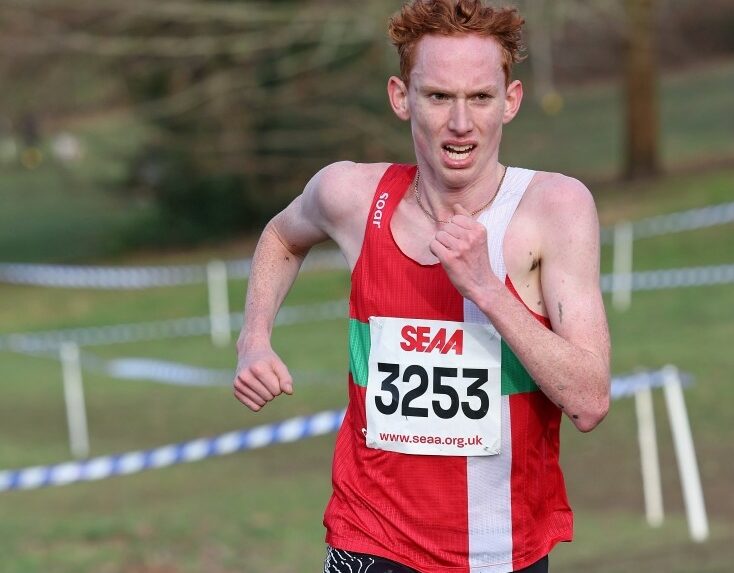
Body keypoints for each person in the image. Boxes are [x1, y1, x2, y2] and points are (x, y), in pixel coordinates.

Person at [233, 1, 611, 571]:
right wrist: (254, 338)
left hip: (501, 549)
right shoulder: (350, 197)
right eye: (438, 97)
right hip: (370, 539)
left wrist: (487, 289)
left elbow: (589, 401)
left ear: (509, 101)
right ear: (400, 97)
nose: (461, 123)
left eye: (480, 97)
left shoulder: (554, 210)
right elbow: (282, 237)